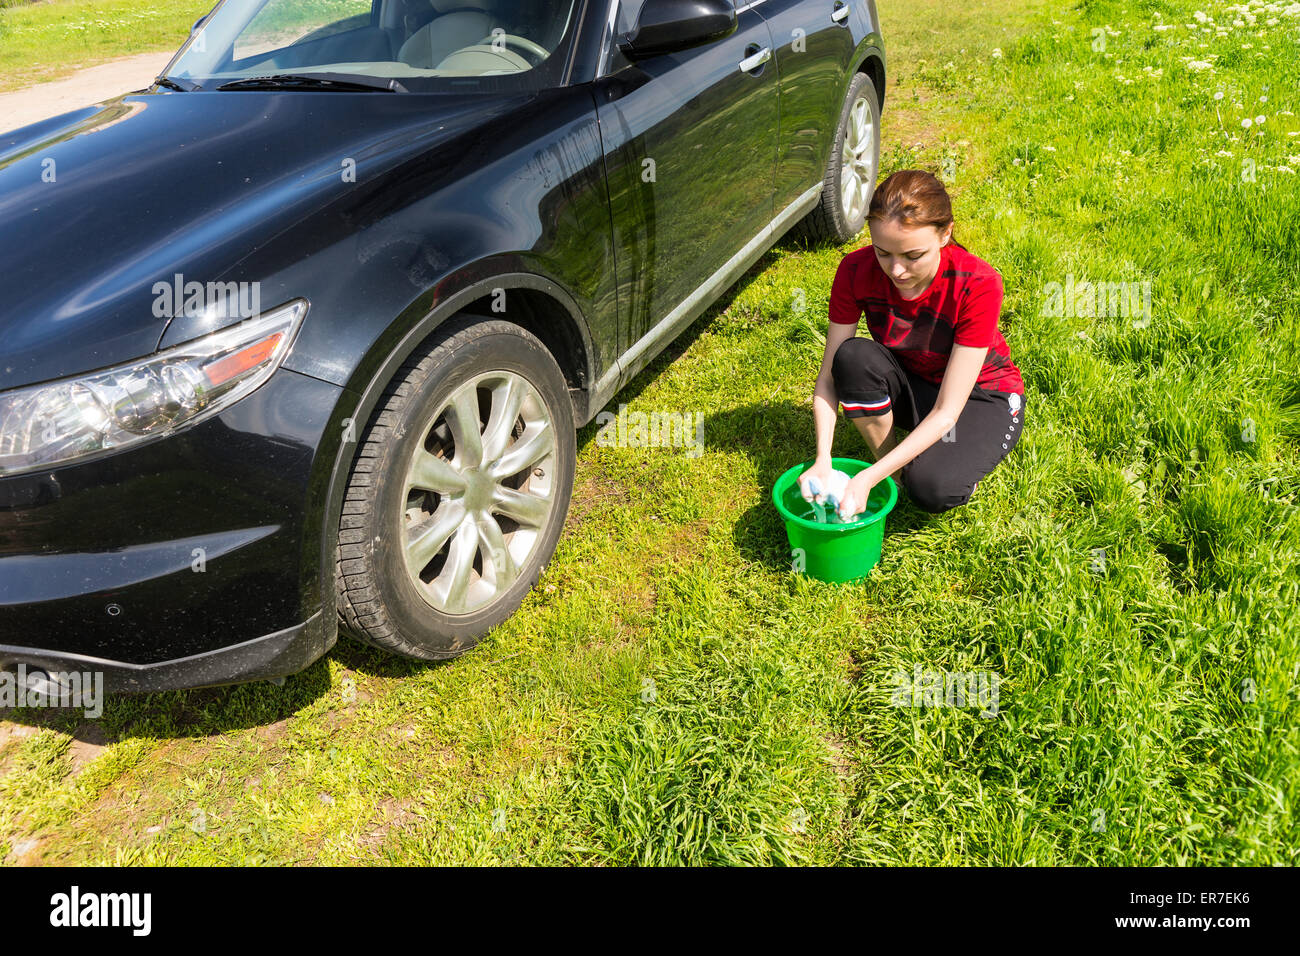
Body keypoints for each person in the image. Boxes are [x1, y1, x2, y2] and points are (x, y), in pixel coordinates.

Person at [800, 169, 1026, 518]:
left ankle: (928, 468)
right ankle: (896, 470)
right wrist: (823, 458)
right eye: (883, 253)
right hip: (917, 384)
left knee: (933, 489)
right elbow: (829, 378)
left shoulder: (978, 283)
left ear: (945, 233)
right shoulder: (854, 270)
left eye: (912, 256)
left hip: (982, 397)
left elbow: (948, 411)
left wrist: (866, 479)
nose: (897, 270)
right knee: (851, 358)